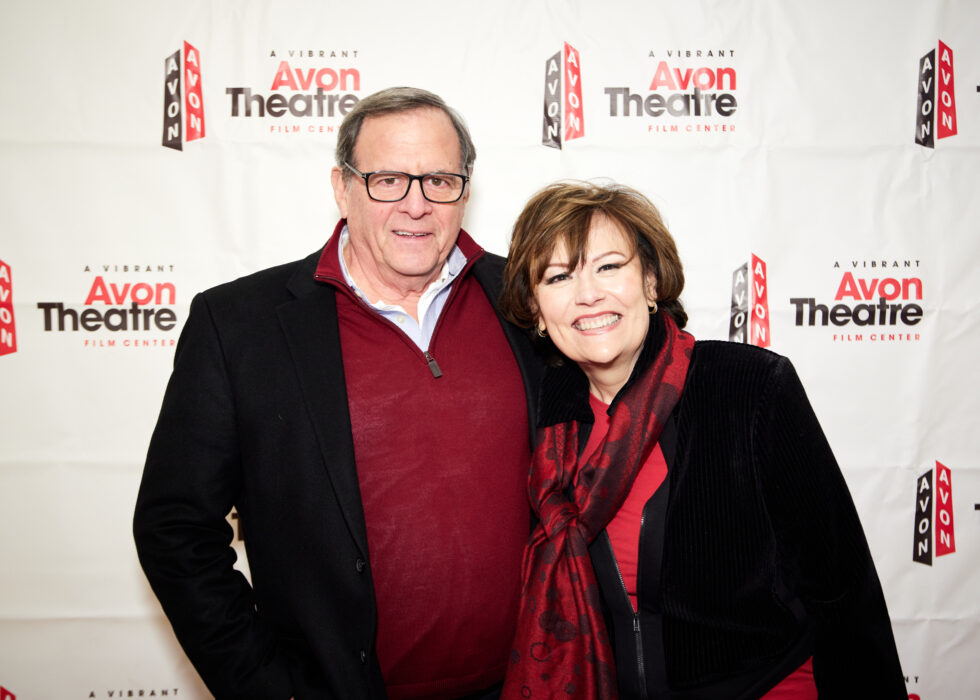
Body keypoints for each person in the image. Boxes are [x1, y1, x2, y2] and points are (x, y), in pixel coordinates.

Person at [133, 87, 543, 700]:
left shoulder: (530, 300)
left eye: (439, 180)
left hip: (527, 685)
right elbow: (175, 527)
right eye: (387, 181)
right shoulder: (241, 324)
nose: (416, 205)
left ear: (465, 188)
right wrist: (267, 687)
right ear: (341, 187)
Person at [497, 182, 906, 699]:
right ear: (535, 310)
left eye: (608, 266)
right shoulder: (546, 422)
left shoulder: (748, 386)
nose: (588, 294)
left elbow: (841, 585)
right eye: (558, 277)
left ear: (650, 281)